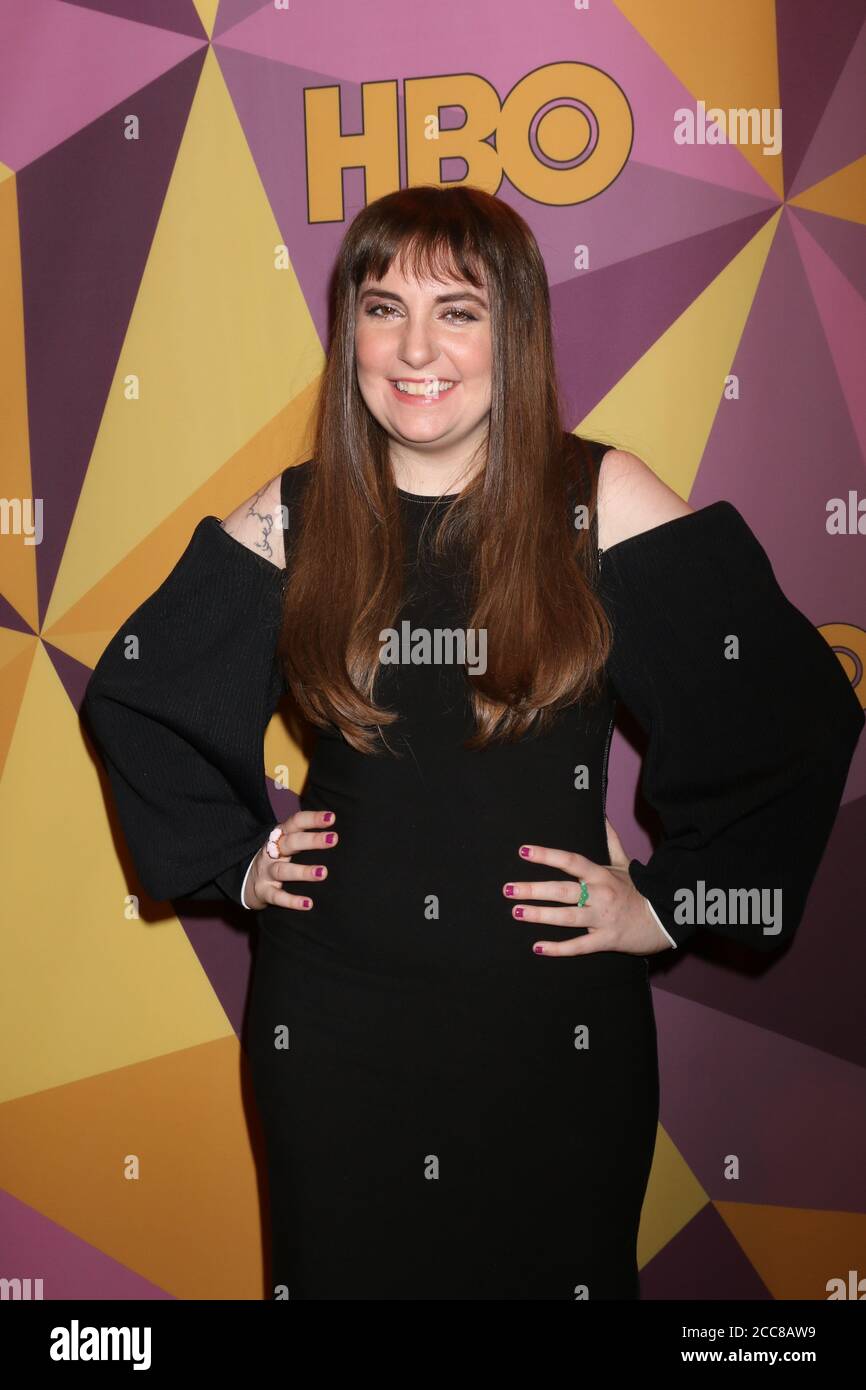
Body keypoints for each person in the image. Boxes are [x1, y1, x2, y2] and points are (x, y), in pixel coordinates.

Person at [82, 185, 864, 1300]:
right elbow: (139, 695)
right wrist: (236, 858)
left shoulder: (597, 499)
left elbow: (791, 712)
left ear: (517, 333)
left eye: (457, 310)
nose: (413, 348)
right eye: (381, 304)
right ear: (345, 326)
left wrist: (668, 901)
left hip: (548, 1034)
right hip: (334, 1028)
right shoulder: (298, 515)